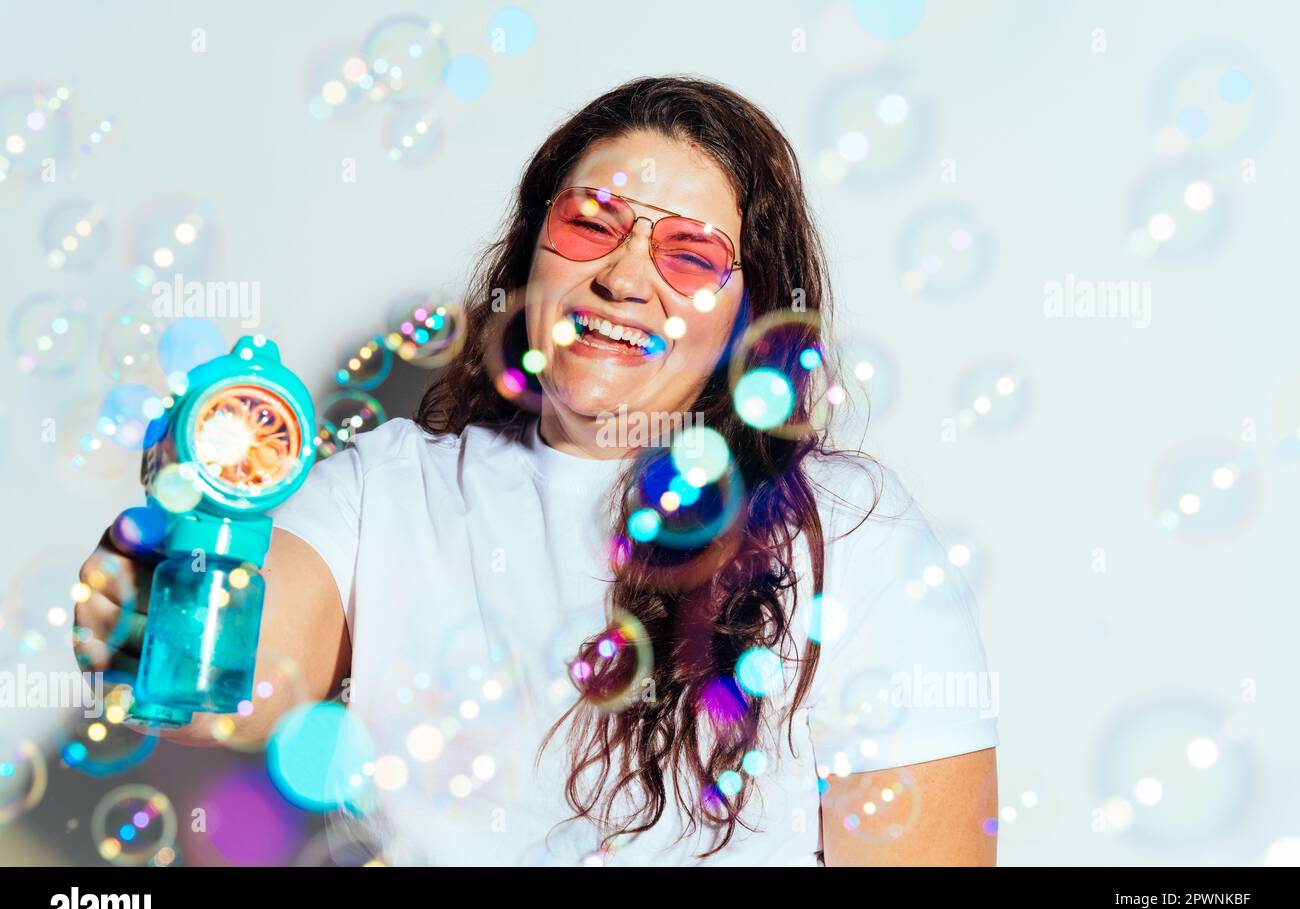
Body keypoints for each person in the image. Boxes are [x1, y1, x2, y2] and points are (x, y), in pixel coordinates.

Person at [74, 75, 999, 866]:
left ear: (744, 321)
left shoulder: (842, 525)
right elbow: (249, 663)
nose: (628, 277)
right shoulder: (387, 488)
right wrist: (176, 578)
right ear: (531, 255)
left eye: (689, 254)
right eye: (591, 224)